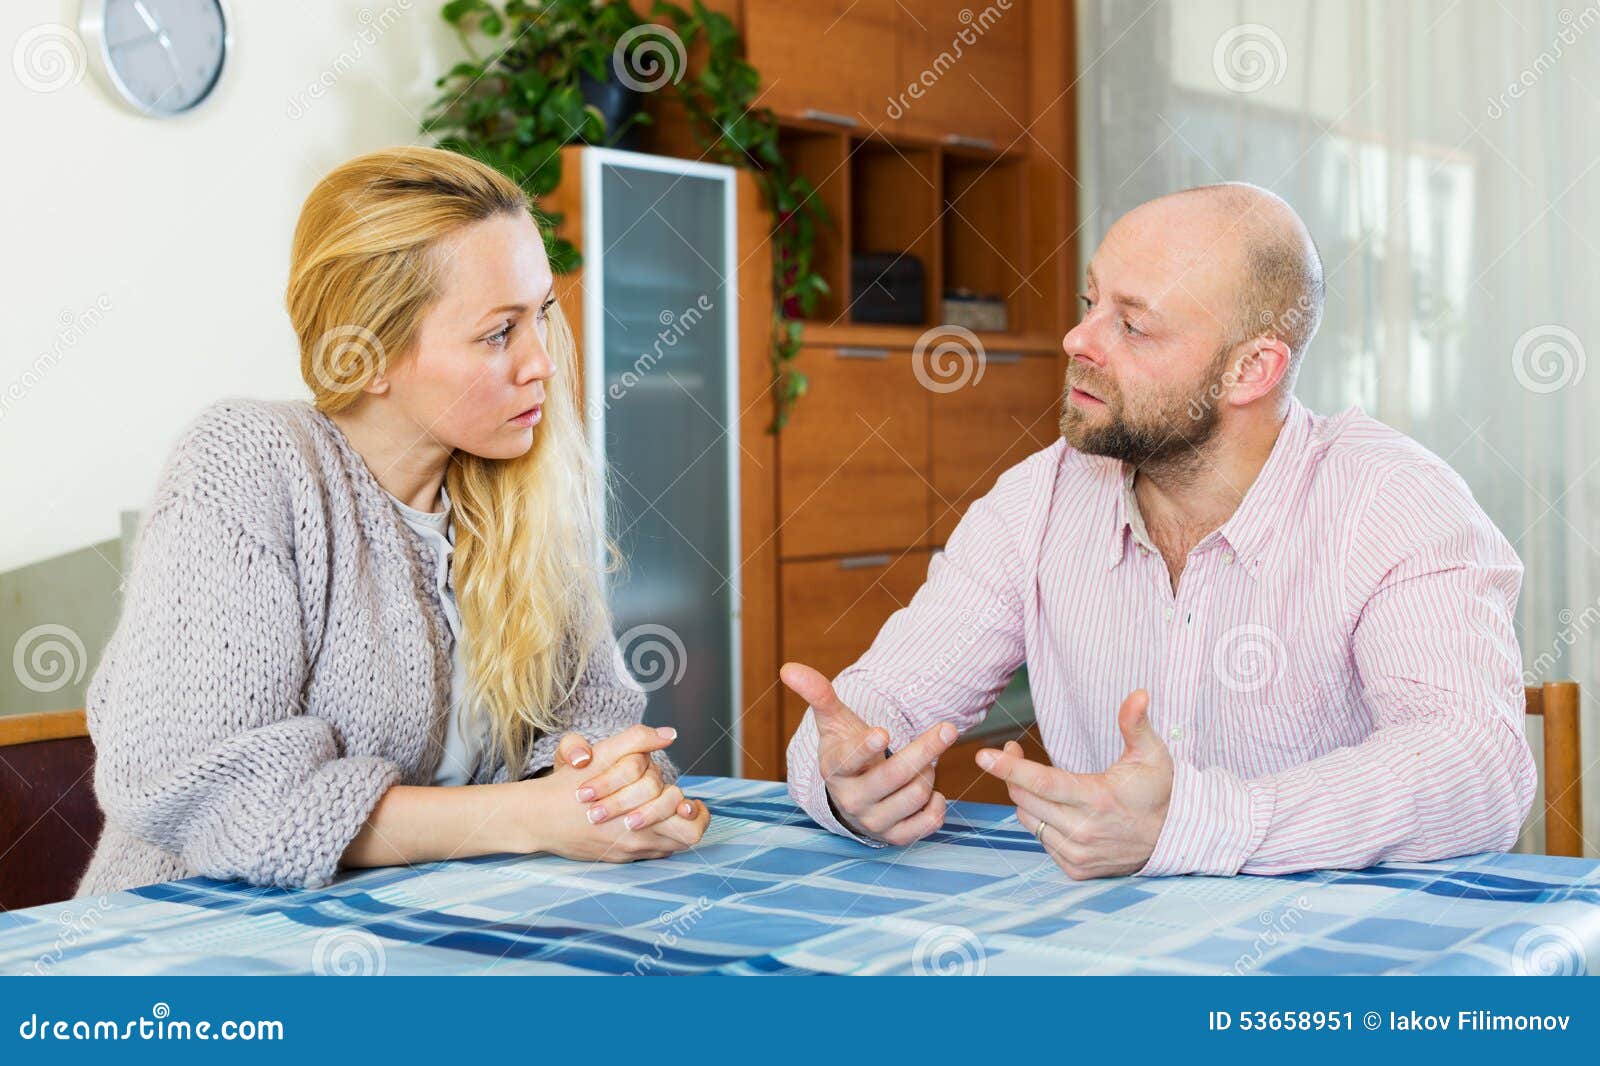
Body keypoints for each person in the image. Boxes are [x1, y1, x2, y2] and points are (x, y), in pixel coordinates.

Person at [783, 182, 1535, 879]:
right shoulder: (1038, 499)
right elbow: (879, 703)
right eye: (1090, 300)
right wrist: (846, 778)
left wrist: (1194, 825)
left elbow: (1476, 770)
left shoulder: (1396, 501)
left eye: (1133, 325)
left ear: (1250, 370)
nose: (1078, 338)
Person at [77, 146, 708, 896]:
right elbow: (217, 800)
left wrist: (618, 788)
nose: (541, 361)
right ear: (367, 354)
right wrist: (528, 817)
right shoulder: (247, 465)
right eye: (498, 333)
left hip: (425, 937)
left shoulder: (523, 495)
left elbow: (595, 721)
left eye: (541, 313)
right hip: (194, 950)